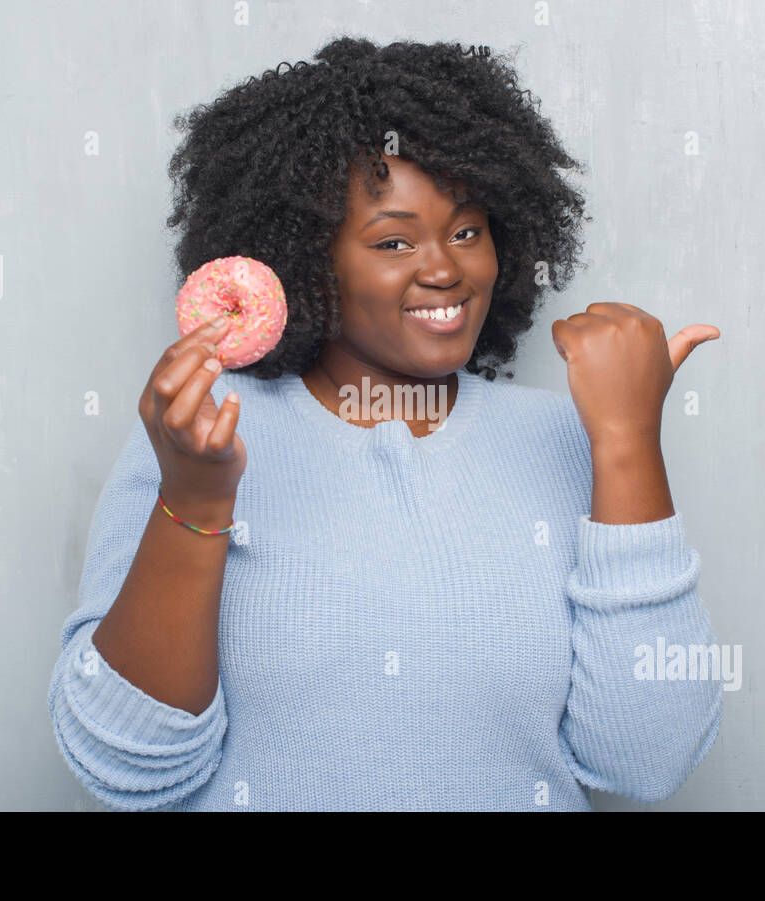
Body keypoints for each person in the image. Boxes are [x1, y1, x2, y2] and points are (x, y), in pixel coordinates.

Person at [47, 37, 723, 811]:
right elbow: (122, 762)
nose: (446, 269)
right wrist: (194, 506)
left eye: (467, 230)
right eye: (394, 241)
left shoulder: (577, 437)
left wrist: (629, 442)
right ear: (303, 260)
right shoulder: (197, 434)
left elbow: (647, 760)